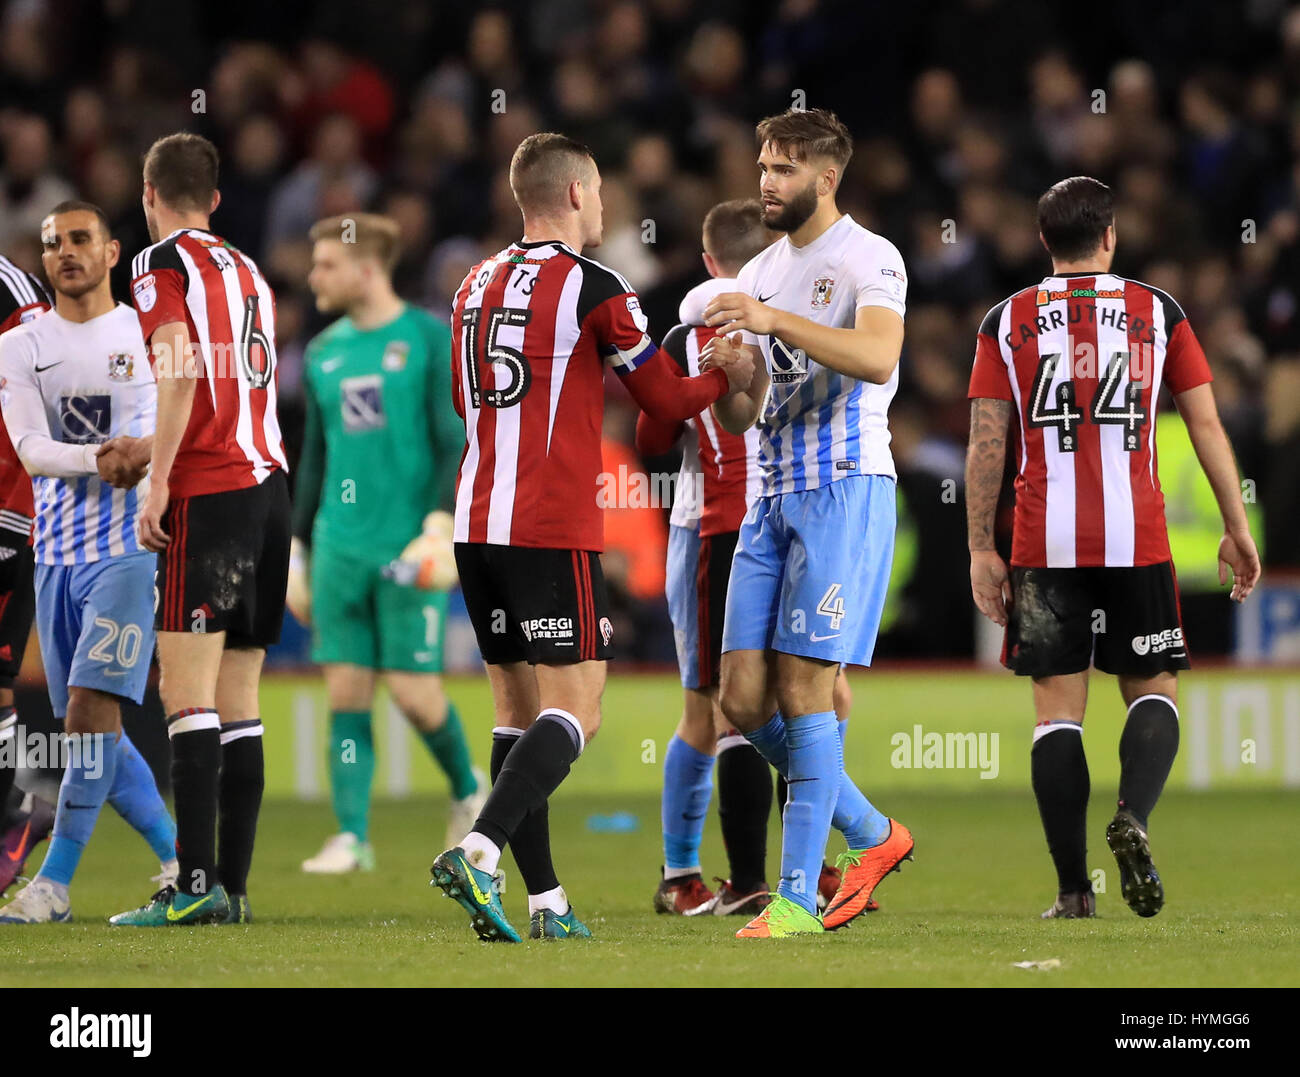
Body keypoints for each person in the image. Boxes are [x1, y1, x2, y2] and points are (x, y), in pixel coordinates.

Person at [430, 132, 753, 943]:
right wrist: (726, 371)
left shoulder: (471, 282)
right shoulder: (594, 286)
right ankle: (477, 847)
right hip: (549, 523)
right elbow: (669, 403)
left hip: (476, 519)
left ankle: (547, 902)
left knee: (517, 713)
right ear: (575, 194)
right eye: (601, 191)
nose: (606, 207)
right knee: (580, 710)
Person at [964, 176, 1261, 919]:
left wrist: (979, 546)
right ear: (1111, 236)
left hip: (1044, 539)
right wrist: (1237, 524)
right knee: (1153, 689)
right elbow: (1206, 427)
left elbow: (985, 444)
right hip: (1137, 536)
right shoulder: (1159, 312)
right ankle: (1133, 816)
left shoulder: (1007, 320)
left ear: (1042, 241)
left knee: (1057, 714)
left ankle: (1072, 891)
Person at [703, 108, 913, 939]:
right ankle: (872, 833)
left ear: (826, 179)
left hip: (845, 487)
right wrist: (732, 376)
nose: (766, 181)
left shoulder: (871, 257)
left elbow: (878, 358)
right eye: (761, 165)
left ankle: (794, 897)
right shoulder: (757, 270)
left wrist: (773, 324)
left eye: (783, 169)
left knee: (803, 686)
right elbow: (747, 415)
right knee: (741, 698)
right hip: (769, 497)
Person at [111, 133, 290, 927]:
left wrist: (157, 481)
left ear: (149, 194)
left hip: (210, 494)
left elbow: (179, 368)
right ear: (216, 200)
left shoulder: (158, 266)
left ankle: (189, 885)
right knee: (238, 697)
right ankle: (234, 889)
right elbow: (232, 393)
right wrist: (155, 449)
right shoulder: (249, 271)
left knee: (183, 693)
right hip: (270, 490)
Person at [0, 201, 178, 923]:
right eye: (52, 244)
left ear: (111, 252)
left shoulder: (144, 329)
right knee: (92, 729)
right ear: (43, 261)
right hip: (55, 554)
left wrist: (143, 455)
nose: (65, 251)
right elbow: (29, 446)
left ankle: (55, 883)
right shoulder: (22, 342)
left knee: (85, 711)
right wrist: (99, 458)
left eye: (80, 239)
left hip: (127, 549)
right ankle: (183, 861)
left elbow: (171, 412)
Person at [292, 212, 485, 874]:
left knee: (413, 692)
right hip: (338, 544)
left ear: (365, 268)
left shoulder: (429, 340)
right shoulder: (322, 354)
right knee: (346, 690)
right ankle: (351, 835)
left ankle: (468, 791)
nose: (313, 275)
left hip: (408, 546)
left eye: (325, 264)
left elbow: (450, 438)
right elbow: (314, 459)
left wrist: (440, 522)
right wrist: (298, 548)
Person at [0, 250, 53, 893]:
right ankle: (15, 814)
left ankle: (14, 816)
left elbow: (39, 387)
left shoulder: (11, 289)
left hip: (11, 509)